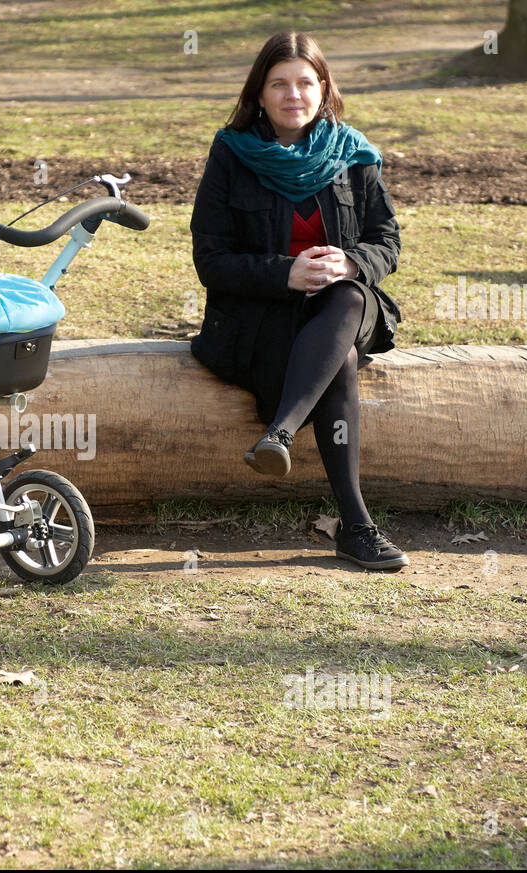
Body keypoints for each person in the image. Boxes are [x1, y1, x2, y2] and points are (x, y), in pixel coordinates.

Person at [190, 31, 408, 571]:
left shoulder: (353, 154)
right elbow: (211, 260)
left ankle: (280, 433)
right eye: (279, 84)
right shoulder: (231, 154)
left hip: (339, 308)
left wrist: (352, 262)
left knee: (349, 295)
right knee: (343, 359)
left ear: (324, 87)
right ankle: (356, 527)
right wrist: (285, 273)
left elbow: (388, 241)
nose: (294, 95)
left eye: (305, 82)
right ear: (258, 93)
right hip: (257, 321)